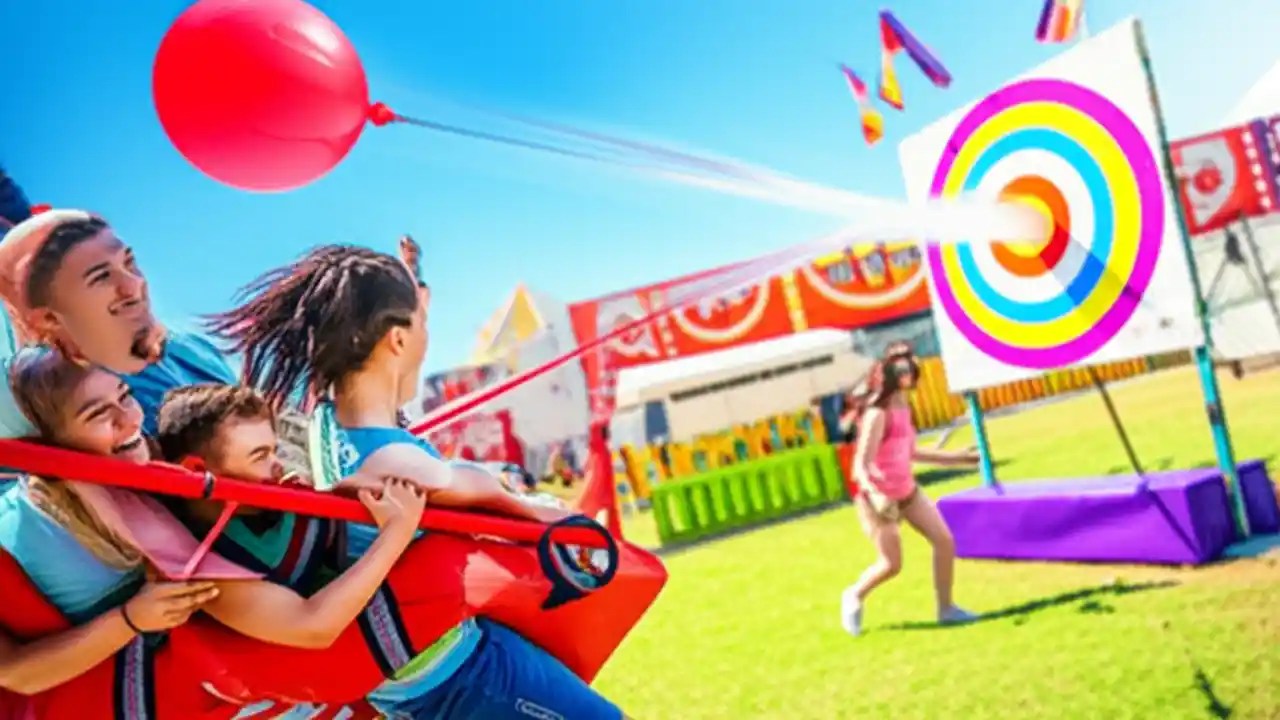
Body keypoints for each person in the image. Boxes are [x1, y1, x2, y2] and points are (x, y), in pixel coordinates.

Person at [207, 244, 632, 719]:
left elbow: (387, 403)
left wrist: (409, 289)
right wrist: (538, 506)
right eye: (421, 327)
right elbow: (479, 489)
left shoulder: (327, 427)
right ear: (396, 339)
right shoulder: (392, 462)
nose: (427, 339)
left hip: (416, 677)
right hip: (463, 677)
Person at [0, 348, 221, 695]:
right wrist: (130, 619)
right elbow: (15, 674)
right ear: (44, 443)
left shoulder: (160, 466)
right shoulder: (17, 528)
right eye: (98, 414)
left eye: (125, 395)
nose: (131, 420)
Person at [839, 342, 980, 637]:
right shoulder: (878, 413)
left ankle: (946, 609)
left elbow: (912, 452)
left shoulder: (904, 407)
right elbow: (860, 466)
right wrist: (877, 493)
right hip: (878, 499)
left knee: (944, 541)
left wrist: (958, 459)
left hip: (907, 491)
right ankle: (854, 595)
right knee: (892, 565)